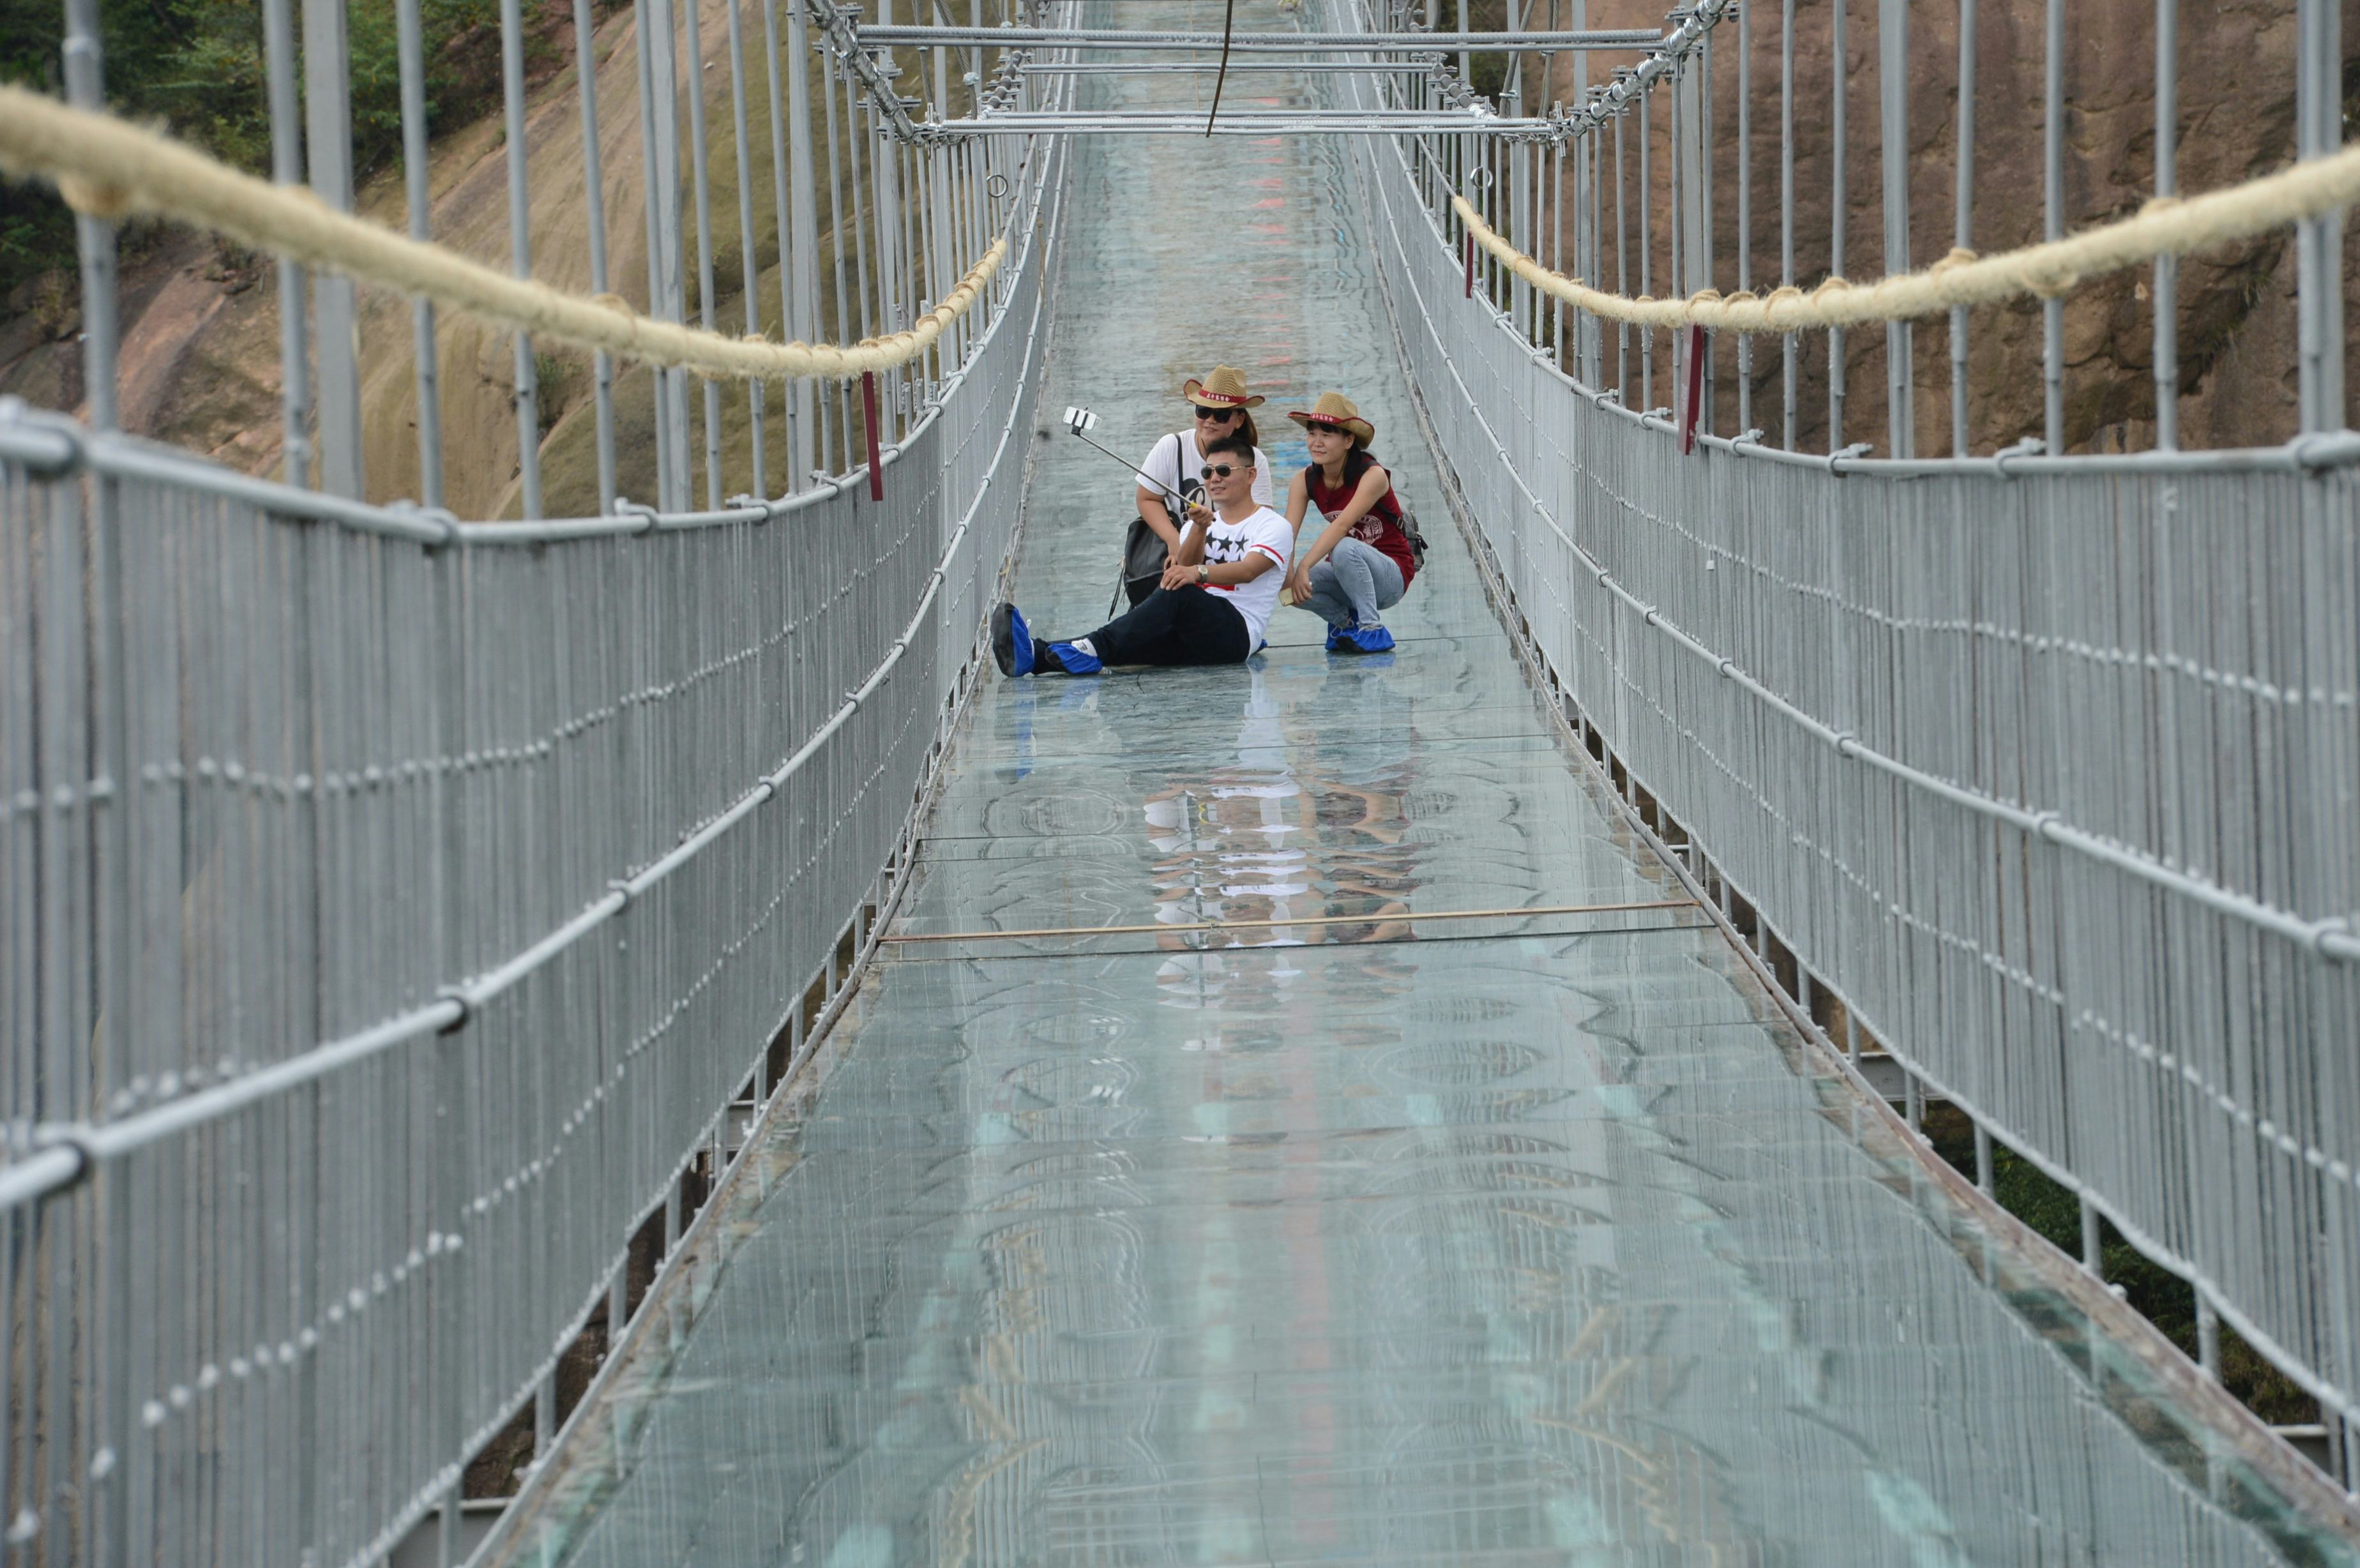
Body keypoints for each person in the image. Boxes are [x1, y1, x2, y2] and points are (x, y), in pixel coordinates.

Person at [996, 430, 1290, 676]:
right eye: (1208, 472)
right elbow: (1186, 565)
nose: (1214, 478)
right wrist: (1199, 530)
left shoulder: (1273, 526)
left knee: (1178, 593)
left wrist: (1197, 572)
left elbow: (1250, 569)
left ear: (1251, 475)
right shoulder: (1196, 522)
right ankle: (1034, 656)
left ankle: (1092, 644)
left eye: (1224, 471)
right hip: (1193, 629)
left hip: (1236, 635)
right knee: (1129, 644)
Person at [1280, 392, 1420, 654]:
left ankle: (1371, 628)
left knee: (1343, 547)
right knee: (1283, 583)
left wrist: (1305, 566)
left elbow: (1341, 526)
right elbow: (1286, 535)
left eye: (1327, 434)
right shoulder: (1304, 480)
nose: (1317, 442)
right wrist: (1289, 573)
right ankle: (1344, 623)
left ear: (1348, 440)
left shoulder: (1373, 475)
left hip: (1390, 576)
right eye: (1312, 433)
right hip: (1348, 575)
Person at [1132, 366, 1276, 568]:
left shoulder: (1255, 459)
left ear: (1239, 420)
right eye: (1203, 411)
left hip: (1230, 555)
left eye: (1221, 415)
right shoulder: (1172, 446)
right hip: (1182, 551)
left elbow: (1262, 518)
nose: (1210, 421)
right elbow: (1146, 498)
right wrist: (1174, 542)